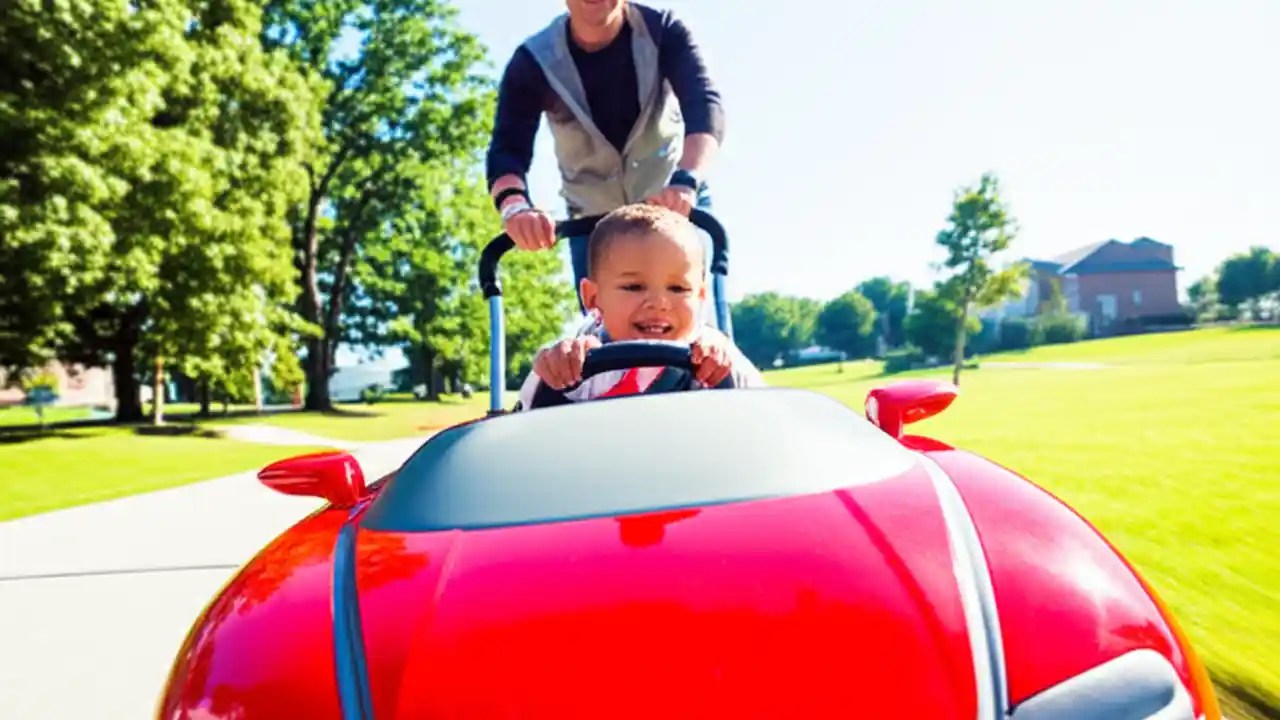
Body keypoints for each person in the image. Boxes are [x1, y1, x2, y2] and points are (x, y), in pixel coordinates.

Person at [485, 0, 724, 312]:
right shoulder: (533, 62)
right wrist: (515, 209)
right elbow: (507, 149)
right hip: (593, 224)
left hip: (672, 206)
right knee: (603, 340)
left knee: (698, 330)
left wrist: (686, 181)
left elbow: (705, 110)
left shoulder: (663, 31)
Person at [516, 204, 763, 409]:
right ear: (592, 297)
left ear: (700, 296)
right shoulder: (578, 361)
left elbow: (765, 410)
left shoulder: (714, 353)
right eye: (634, 287)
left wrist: (723, 368)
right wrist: (553, 366)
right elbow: (529, 418)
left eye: (678, 289)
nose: (658, 303)